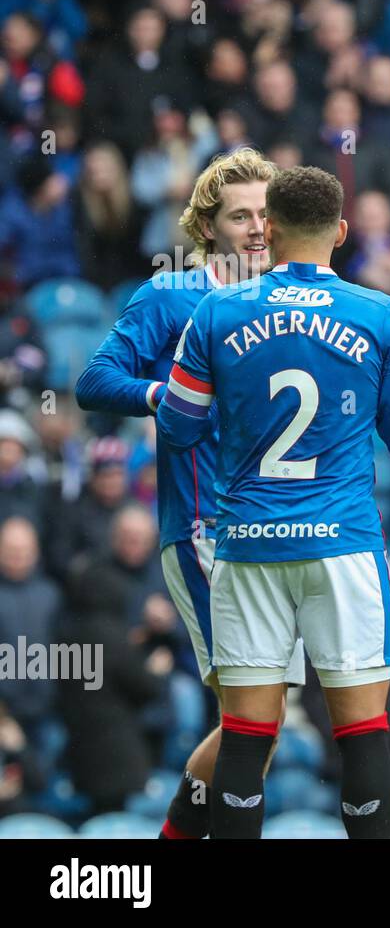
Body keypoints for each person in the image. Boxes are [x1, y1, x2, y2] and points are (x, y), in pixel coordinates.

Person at [156, 166, 390, 838]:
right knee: (364, 733)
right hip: (342, 547)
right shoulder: (379, 316)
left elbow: (176, 426)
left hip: (248, 546)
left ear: (269, 231)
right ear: (341, 232)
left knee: (246, 737)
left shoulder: (216, 313)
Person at [76, 147, 307, 840]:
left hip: (284, 531)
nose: (259, 228)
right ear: (207, 227)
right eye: (241, 216)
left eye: (269, 214)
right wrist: (165, 394)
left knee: (257, 730)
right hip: (210, 530)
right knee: (249, 721)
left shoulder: (298, 298)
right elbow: (93, 379)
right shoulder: (170, 294)